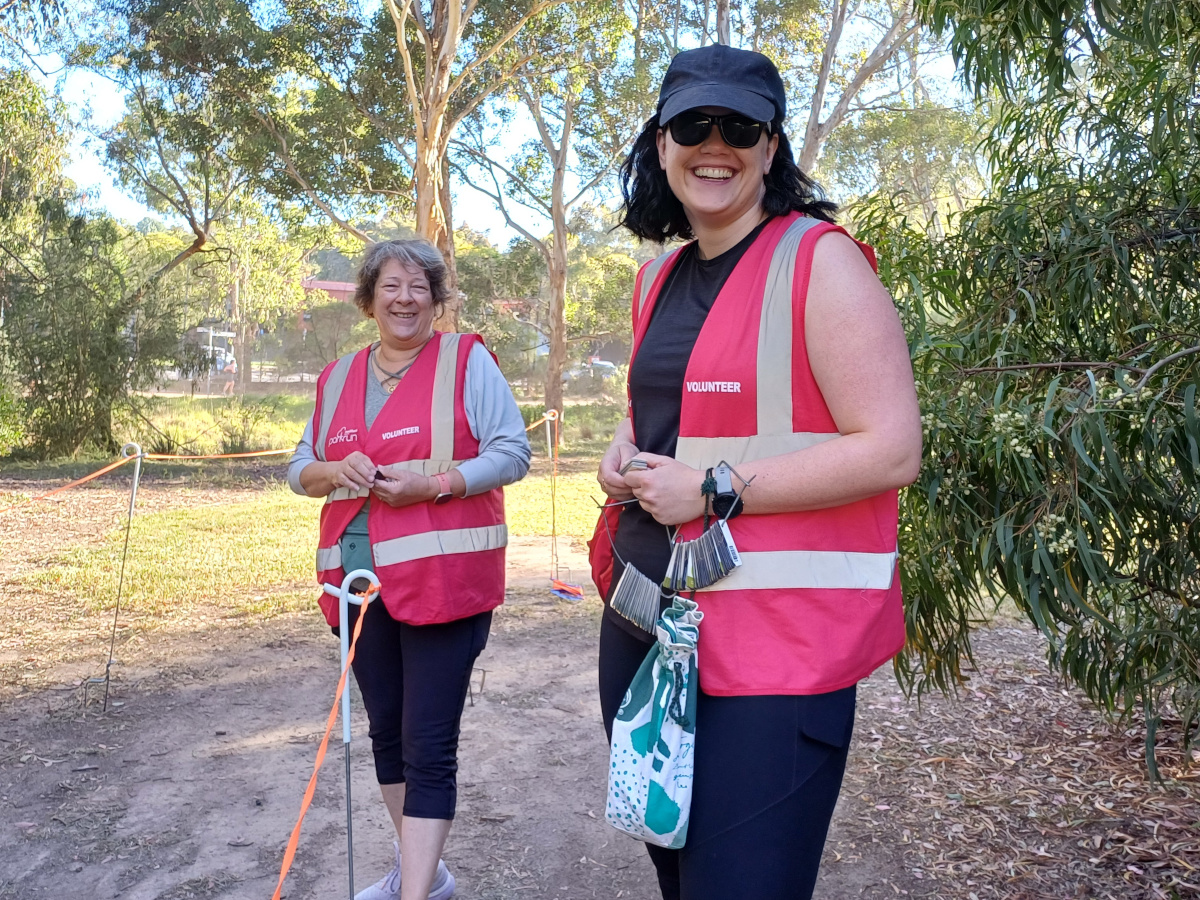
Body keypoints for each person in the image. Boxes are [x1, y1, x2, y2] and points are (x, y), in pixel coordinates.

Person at [592, 45, 922, 900]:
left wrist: (712, 487)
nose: (715, 143)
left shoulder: (822, 262)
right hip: (645, 627)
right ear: (660, 144)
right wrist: (623, 451)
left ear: (771, 148)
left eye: (739, 126)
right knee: (677, 871)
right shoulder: (656, 277)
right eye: (692, 124)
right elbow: (666, 410)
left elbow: (892, 448)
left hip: (776, 650)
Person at [289, 239, 531, 900]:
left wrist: (439, 483)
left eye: (419, 286)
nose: (405, 298)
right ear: (368, 299)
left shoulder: (466, 362)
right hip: (357, 588)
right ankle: (422, 869)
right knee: (386, 734)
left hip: (444, 585)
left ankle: (414, 894)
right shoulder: (336, 378)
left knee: (428, 744)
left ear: (436, 298)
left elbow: (513, 452)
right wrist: (333, 471)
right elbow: (298, 469)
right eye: (391, 286)